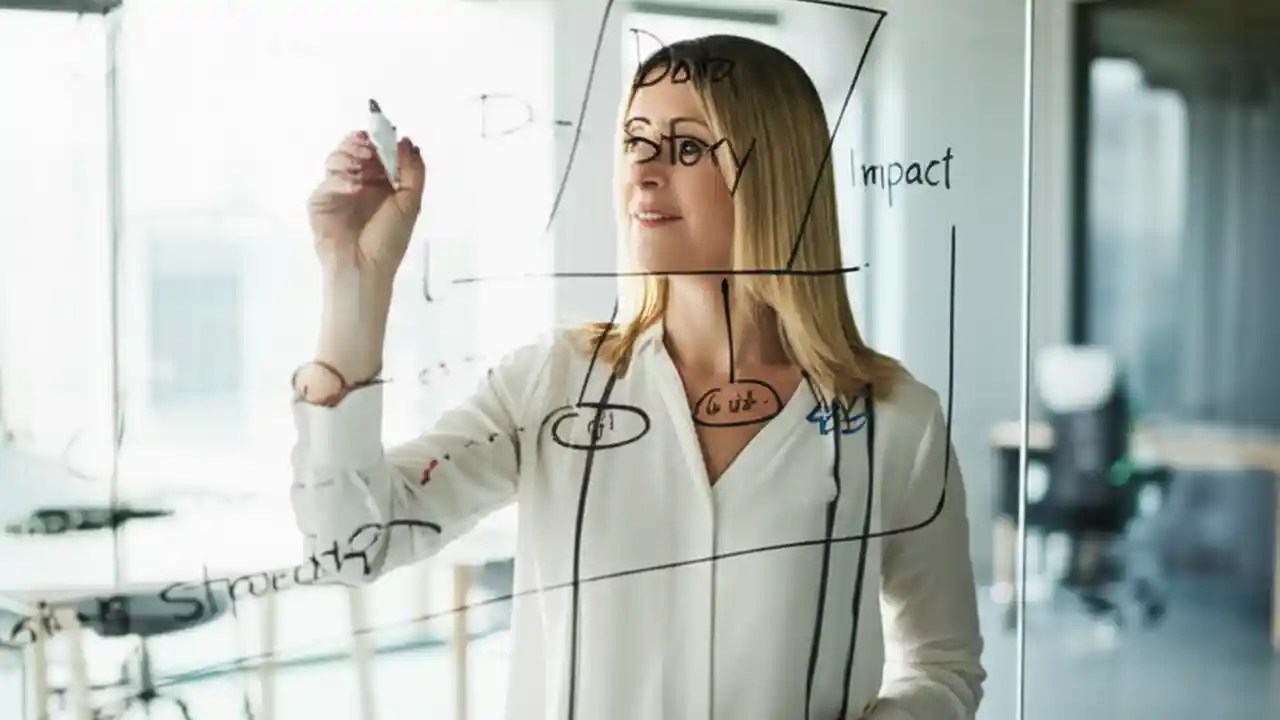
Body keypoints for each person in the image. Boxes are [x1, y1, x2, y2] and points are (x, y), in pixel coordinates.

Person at [291, 34, 984, 720]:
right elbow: (352, 544)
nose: (645, 172)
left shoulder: (895, 422)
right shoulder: (551, 382)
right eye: (634, 141)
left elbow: (944, 666)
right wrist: (355, 284)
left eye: (686, 148)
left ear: (776, 173)